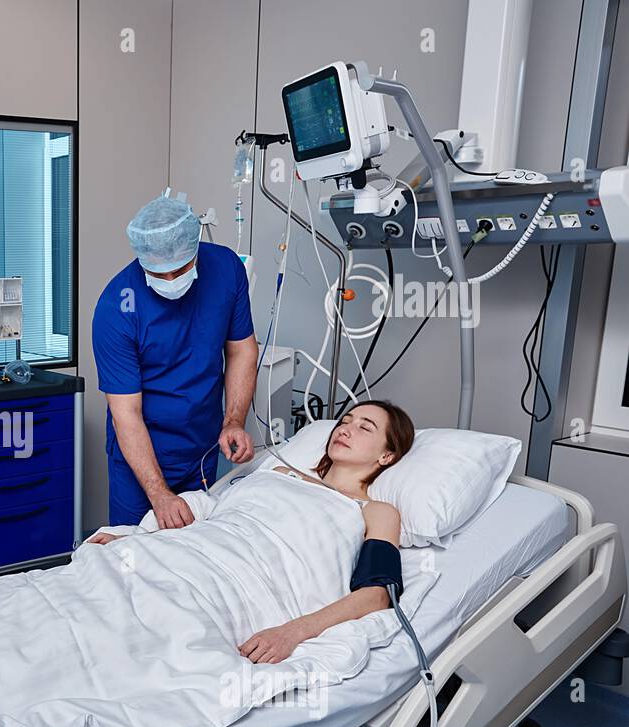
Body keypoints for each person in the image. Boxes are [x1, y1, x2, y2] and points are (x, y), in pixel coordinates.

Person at [88, 400, 415, 664]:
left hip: (243, 589)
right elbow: (214, 517)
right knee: (96, 599)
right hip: (187, 555)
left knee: (134, 639)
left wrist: (292, 633)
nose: (346, 429)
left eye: (364, 427)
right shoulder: (280, 471)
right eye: (346, 420)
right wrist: (138, 540)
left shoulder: (373, 511)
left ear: (386, 455)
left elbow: (376, 595)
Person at [93, 189, 259, 528]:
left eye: (180, 268)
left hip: (201, 445)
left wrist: (233, 421)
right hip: (141, 455)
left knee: (191, 556)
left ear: (195, 247)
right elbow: (126, 414)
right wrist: (159, 495)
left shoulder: (226, 268)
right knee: (133, 555)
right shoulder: (116, 307)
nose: (171, 280)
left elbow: (241, 349)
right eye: (158, 273)